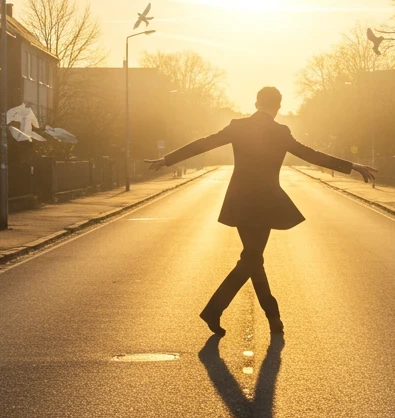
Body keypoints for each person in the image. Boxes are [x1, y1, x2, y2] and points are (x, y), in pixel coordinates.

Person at [147, 86, 376, 337]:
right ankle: (227, 311)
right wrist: (352, 165)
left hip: (240, 201)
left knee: (253, 259)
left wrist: (167, 159)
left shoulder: (238, 126)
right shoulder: (281, 132)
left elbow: (204, 144)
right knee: (253, 258)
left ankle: (269, 316)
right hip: (266, 203)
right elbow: (312, 155)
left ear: (257, 103)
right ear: (278, 106)